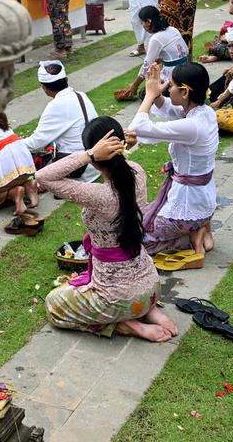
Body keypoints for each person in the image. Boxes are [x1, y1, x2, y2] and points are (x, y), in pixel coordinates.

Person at [38, 117, 179, 342]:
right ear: (122, 147)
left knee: (54, 303)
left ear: (97, 157)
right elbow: (121, 164)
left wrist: (89, 154)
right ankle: (149, 310)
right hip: (152, 287)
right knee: (133, 295)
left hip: (117, 298)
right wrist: (118, 145)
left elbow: (42, 176)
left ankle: (128, 326)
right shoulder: (137, 172)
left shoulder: (100, 196)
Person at [129, 61, 219, 258]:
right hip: (202, 202)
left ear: (185, 92)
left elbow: (139, 128)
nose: (168, 89)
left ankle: (190, 237)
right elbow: (171, 109)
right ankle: (201, 231)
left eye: (171, 86)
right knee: (141, 224)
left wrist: (150, 96)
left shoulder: (193, 126)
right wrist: (158, 95)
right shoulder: (204, 112)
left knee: (135, 244)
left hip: (188, 210)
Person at [21, 62, 100, 182]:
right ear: (66, 80)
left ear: (44, 88)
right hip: (95, 164)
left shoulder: (56, 105)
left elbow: (36, 143)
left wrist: (12, 145)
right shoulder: (81, 95)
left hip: (78, 170)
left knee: (35, 170)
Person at [114, 6, 190, 101]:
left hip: (175, 76)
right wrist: (162, 59)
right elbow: (184, 51)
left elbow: (146, 66)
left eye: (142, 22)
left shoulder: (156, 38)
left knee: (145, 93)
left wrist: (134, 86)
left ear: (149, 21)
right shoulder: (172, 29)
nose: (142, 25)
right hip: (187, 71)